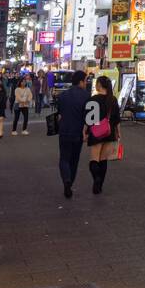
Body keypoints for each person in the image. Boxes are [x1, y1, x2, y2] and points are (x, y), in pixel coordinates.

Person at [84, 75, 121, 195]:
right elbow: (116, 119)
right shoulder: (113, 99)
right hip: (109, 132)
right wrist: (118, 133)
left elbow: (88, 119)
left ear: (99, 85)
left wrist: (85, 131)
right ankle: (99, 186)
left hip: (96, 132)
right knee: (103, 159)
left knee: (94, 158)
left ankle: (96, 179)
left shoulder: (92, 99)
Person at [56, 71, 90, 199]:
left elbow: (59, 115)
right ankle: (70, 183)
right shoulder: (87, 96)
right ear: (81, 81)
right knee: (74, 160)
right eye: (85, 80)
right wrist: (87, 132)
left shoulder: (63, 95)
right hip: (78, 132)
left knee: (64, 158)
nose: (86, 83)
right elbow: (89, 117)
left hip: (64, 131)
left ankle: (66, 180)